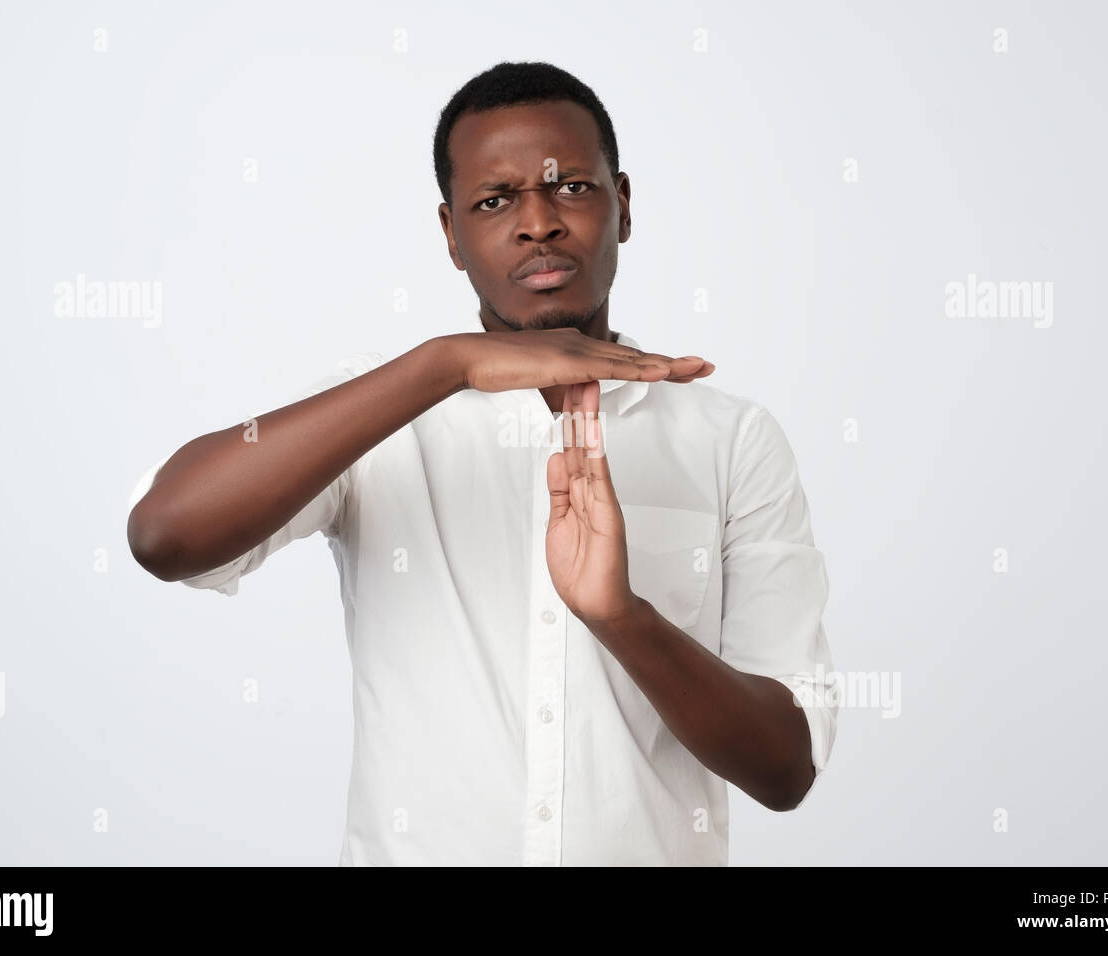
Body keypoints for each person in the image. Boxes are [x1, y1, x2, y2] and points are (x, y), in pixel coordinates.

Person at [127, 60, 836, 866]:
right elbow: (164, 534)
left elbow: (785, 767)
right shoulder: (379, 414)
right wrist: (445, 366)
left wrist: (621, 618)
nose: (538, 223)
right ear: (451, 236)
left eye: (570, 186)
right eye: (495, 202)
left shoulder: (731, 438)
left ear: (624, 204)